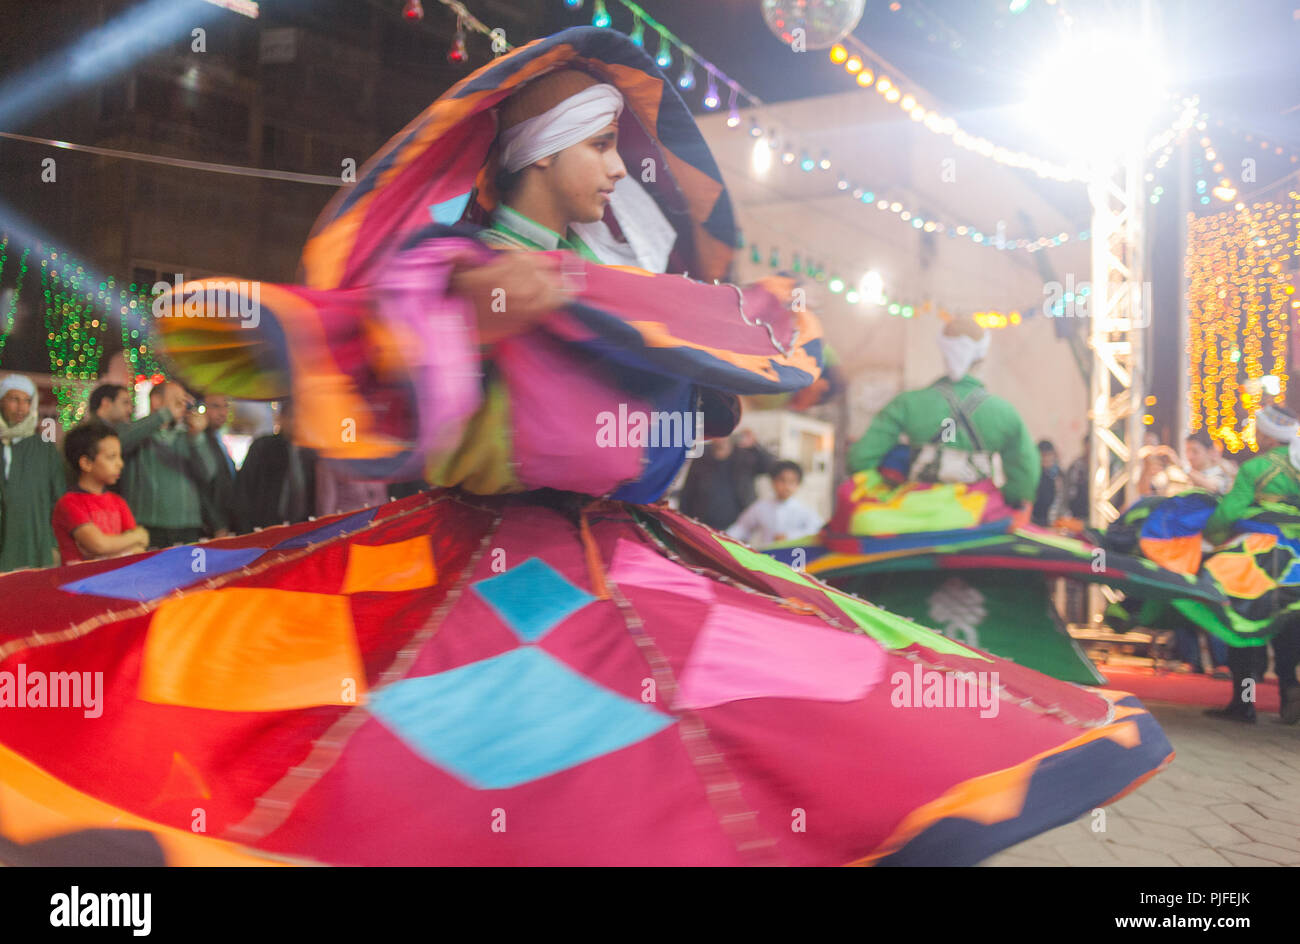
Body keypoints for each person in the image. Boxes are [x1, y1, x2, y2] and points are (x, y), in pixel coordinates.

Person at [34, 29, 1172, 866]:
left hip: (632, 554)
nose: (623, 172)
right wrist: (473, 317)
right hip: (477, 557)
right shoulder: (454, 267)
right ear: (542, 156)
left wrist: (707, 369)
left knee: (754, 723)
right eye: (601, 153)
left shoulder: (623, 288)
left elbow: (708, 396)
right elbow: (373, 392)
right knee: (421, 760)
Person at [848, 315, 1040, 510]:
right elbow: (1025, 470)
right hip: (977, 514)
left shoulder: (907, 403)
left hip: (917, 512)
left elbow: (861, 458)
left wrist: (883, 489)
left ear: (943, 350)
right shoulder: (1004, 412)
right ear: (981, 356)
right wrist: (1012, 498)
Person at [1203, 404, 1300, 723]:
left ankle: (1244, 703)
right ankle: (1289, 691)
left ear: (1270, 436)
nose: (1255, 435)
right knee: (1289, 631)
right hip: (1296, 563)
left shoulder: (1256, 468)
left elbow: (1228, 514)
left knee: (1241, 629)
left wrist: (1213, 537)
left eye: (1259, 430)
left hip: (1262, 560)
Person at [115, 380, 218, 548]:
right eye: (177, 400)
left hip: (187, 527)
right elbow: (120, 442)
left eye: (184, 401)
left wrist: (197, 437)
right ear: (156, 401)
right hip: (146, 526)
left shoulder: (187, 435)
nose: (182, 405)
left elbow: (208, 473)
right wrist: (163, 415)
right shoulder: (136, 432)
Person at [51, 420, 148, 564]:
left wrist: (112, 547)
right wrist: (134, 537)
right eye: (111, 457)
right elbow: (98, 545)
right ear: (86, 463)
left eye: (119, 456)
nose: (120, 464)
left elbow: (140, 547)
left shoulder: (117, 501)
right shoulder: (69, 503)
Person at [0, 373, 64, 571]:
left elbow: (59, 500)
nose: (21, 408)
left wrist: (54, 544)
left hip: (35, 543)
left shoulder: (44, 448)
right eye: (14, 399)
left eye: (27, 401)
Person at [233, 401, 317, 533]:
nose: (297, 422)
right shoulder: (263, 447)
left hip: (301, 528)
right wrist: (245, 528)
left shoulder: (310, 454)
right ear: (281, 418)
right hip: (265, 527)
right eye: (292, 416)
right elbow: (244, 489)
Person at [678, 430, 776, 531]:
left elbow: (771, 467)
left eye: (723, 431)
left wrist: (755, 445)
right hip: (704, 526)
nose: (720, 438)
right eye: (716, 432)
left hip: (741, 526)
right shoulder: (701, 457)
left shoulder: (745, 455)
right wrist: (685, 522)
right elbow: (688, 491)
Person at [726, 460, 821, 548]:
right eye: (782, 480)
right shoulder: (761, 507)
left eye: (792, 482)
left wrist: (790, 536)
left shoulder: (803, 510)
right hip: (767, 557)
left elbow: (818, 531)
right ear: (773, 482)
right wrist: (722, 541)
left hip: (795, 559)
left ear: (798, 484)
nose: (787, 486)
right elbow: (741, 528)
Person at [197, 394, 238, 537]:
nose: (222, 412)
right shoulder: (199, 441)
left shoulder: (217, 439)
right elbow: (201, 488)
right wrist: (217, 525)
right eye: (216, 406)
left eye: (226, 406)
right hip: (210, 528)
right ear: (203, 409)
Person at [1032, 440, 1065, 526]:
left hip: (1058, 522)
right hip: (1039, 522)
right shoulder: (1035, 476)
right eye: (1043, 456)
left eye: (1049, 455)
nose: (1046, 459)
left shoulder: (1059, 474)